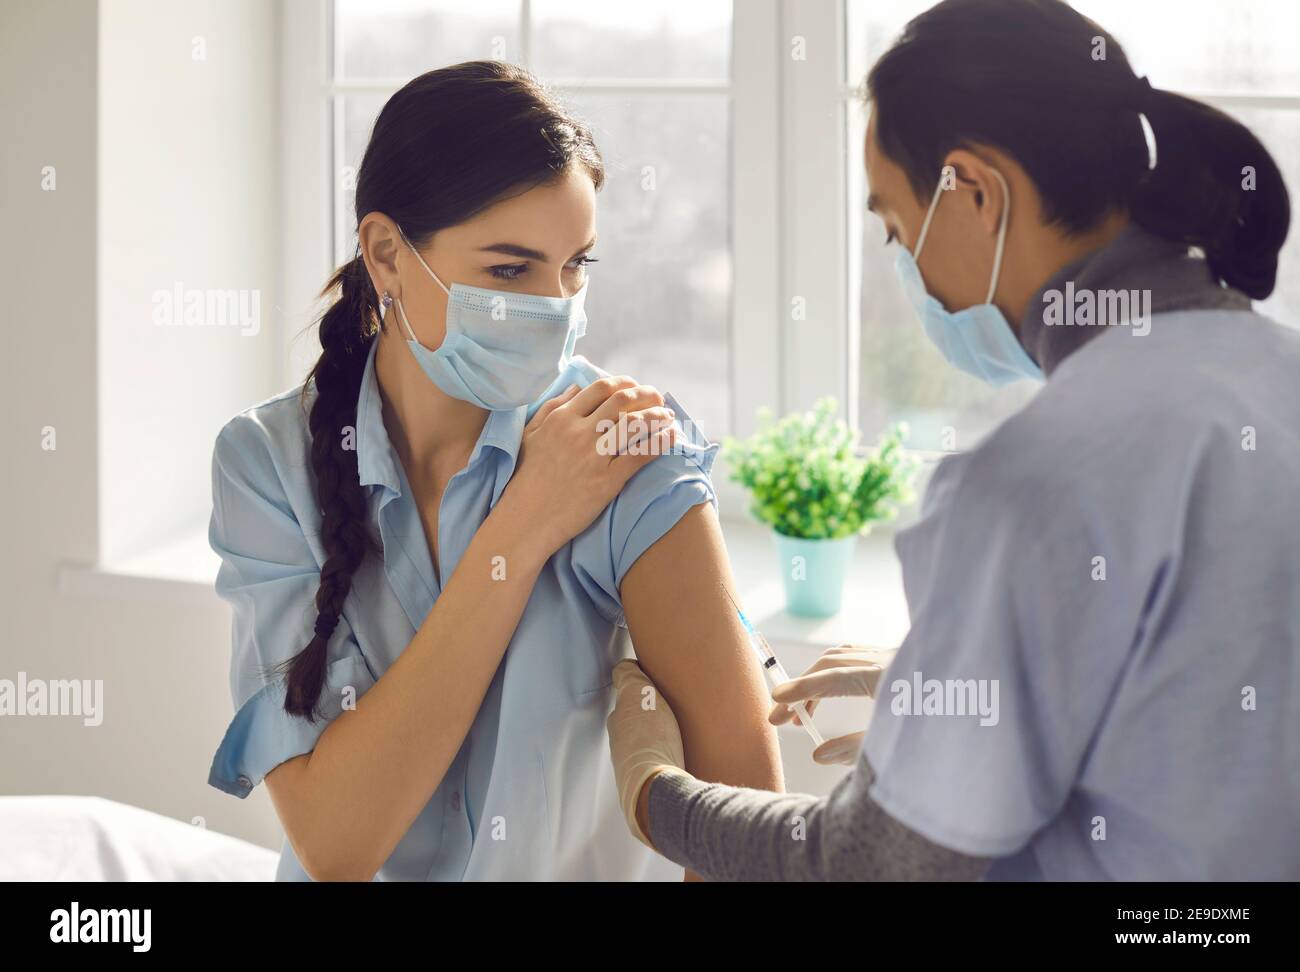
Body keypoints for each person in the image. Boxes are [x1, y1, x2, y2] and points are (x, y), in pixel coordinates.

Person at [607, 0, 1298, 881]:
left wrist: (654, 791)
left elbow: (871, 866)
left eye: (896, 227)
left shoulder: (1037, 476)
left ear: (973, 191)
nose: (908, 270)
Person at [206, 61, 782, 881]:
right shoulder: (265, 463)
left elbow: (745, 829)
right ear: (386, 255)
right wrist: (527, 521)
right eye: (510, 271)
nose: (555, 307)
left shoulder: (628, 447)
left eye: (576, 265)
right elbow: (336, 843)